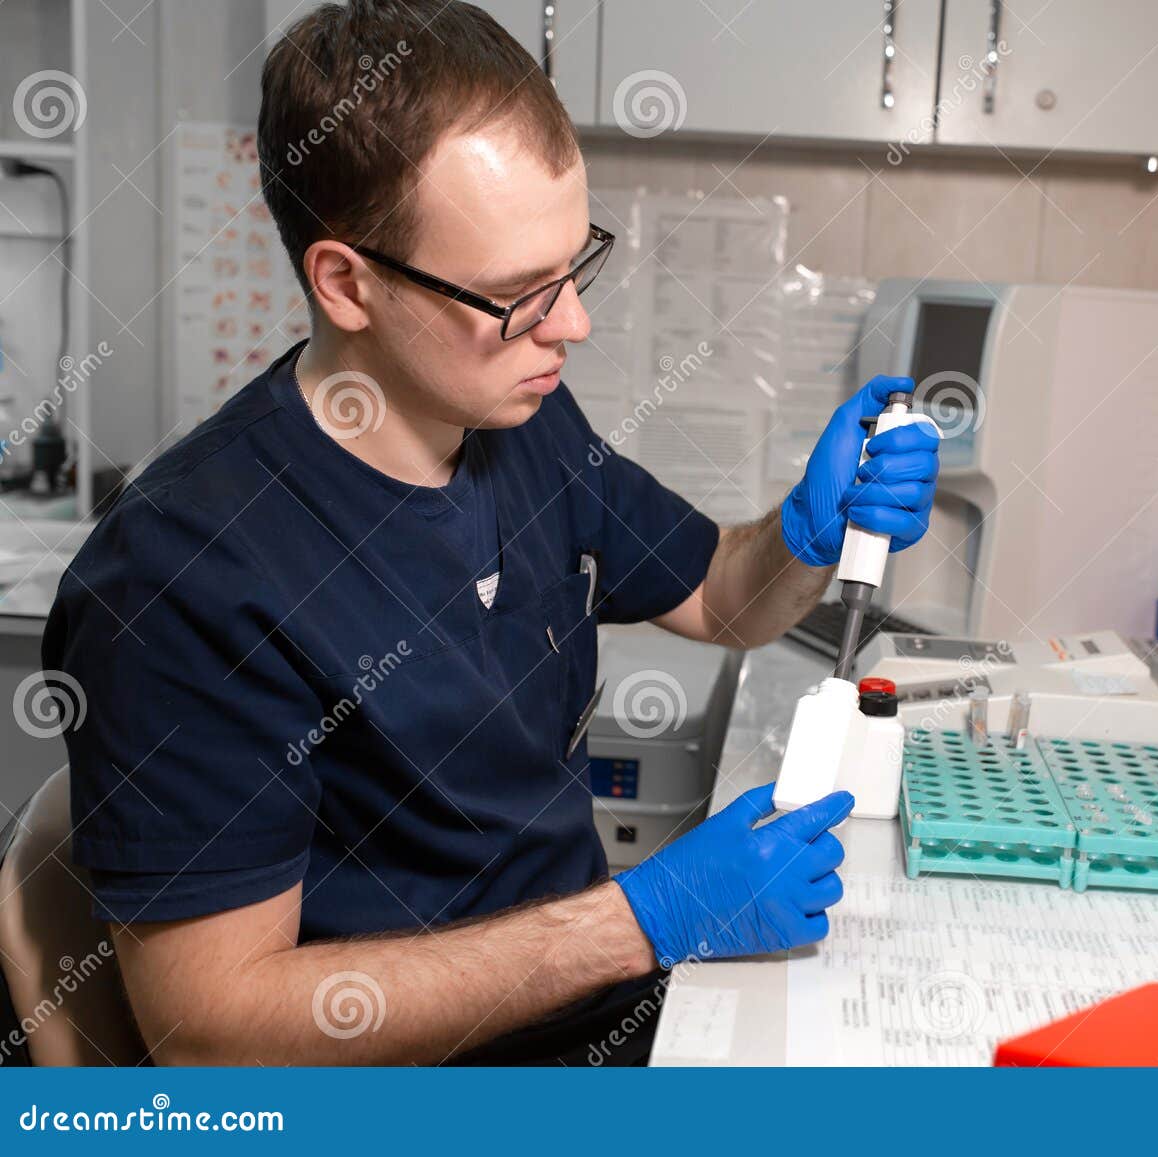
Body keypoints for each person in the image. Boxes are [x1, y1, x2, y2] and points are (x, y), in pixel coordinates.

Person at [41, 0, 940, 1065]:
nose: (573, 324)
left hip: (592, 1015)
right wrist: (640, 920)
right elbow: (213, 1033)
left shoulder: (517, 419)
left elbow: (718, 596)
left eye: (574, 266)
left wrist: (808, 534)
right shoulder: (181, 575)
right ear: (346, 283)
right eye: (519, 294)